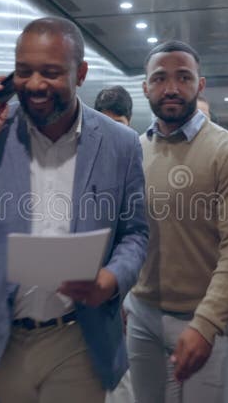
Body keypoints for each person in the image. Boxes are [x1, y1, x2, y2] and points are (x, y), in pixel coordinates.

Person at [0, 16, 149, 403]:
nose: (34, 85)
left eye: (50, 72)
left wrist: (112, 279)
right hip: (4, 337)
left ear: (79, 73)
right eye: (23, 72)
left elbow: (135, 234)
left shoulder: (120, 144)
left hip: (79, 337)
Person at [125, 40, 228, 403]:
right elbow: (127, 234)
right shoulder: (134, 151)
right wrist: (124, 301)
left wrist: (206, 323)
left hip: (205, 321)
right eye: (160, 78)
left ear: (200, 85)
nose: (171, 88)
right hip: (142, 317)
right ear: (145, 88)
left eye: (183, 77)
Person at [93, 85, 138, 403]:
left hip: (138, 288)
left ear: (130, 122)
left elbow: (140, 234)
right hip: (101, 291)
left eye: (118, 127)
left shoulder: (140, 157)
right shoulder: (87, 163)